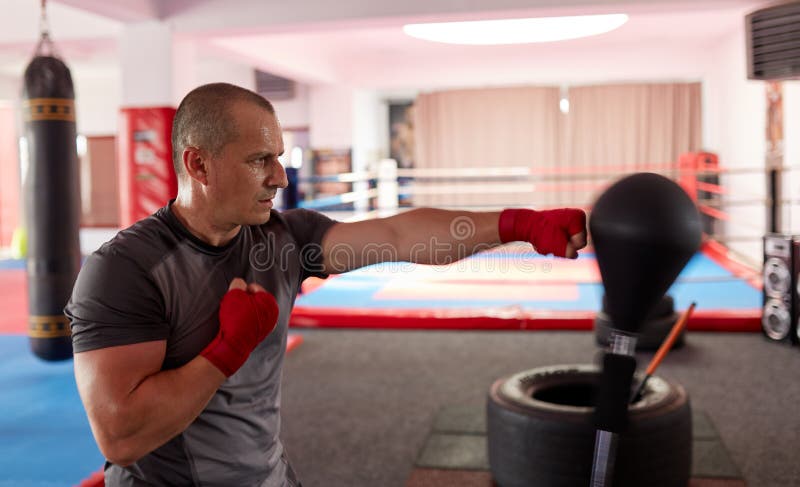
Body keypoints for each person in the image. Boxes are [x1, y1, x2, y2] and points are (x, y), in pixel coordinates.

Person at [66, 82, 587, 487]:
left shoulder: (282, 240)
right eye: (259, 161)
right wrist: (226, 351)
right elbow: (121, 435)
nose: (280, 178)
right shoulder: (125, 270)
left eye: (279, 158)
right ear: (198, 163)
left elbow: (397, 234)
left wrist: (517, 225)